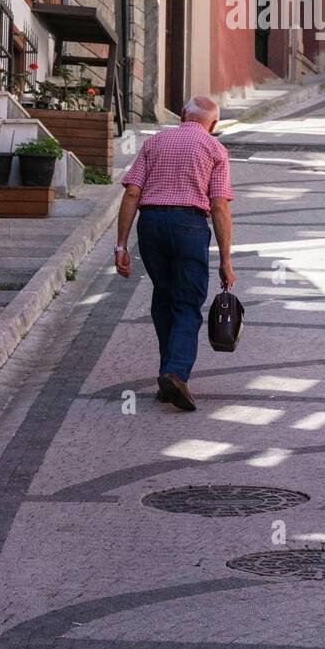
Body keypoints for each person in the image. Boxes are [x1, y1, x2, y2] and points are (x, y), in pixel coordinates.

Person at [114, 96, 235, 412]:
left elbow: (132, 193)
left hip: (151, 224)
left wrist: (121, 245)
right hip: (189, 226)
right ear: (214, 124)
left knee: (164, 297)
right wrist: (225, 259)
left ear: (183, 115)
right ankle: (175, 372)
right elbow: (219, 205)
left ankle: (168, 375)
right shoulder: (214, 149)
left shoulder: (155, 142)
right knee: (187, 303)